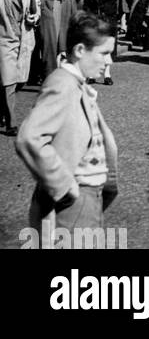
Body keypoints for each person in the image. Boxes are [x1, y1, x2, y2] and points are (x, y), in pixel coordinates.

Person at [15, 13, 118, 241]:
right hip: (75, 199)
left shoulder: (76, 83)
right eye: (104, 53)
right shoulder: (62, 84)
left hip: (89, 196)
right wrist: (63, 184)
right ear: (80, 50)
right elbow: (29, 137)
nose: (109, 62)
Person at [1, 0, 42, 134]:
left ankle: (3, 111)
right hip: (4, 36)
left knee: (20, 80)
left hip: (25, 36)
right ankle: (11, 123)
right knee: (8, 79)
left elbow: (36, 3)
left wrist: (35, 15)